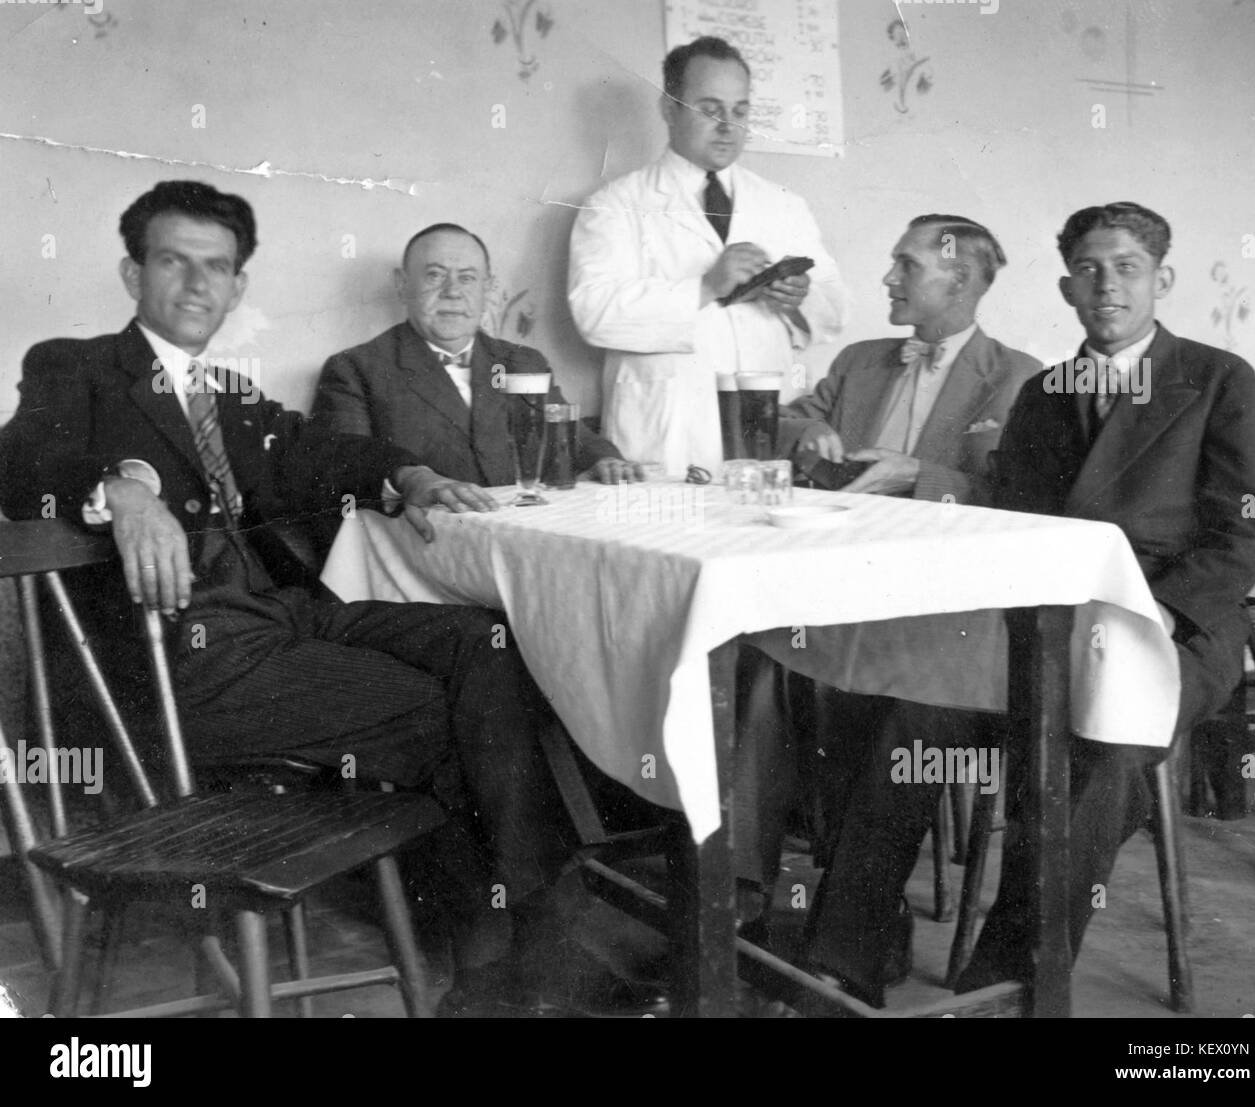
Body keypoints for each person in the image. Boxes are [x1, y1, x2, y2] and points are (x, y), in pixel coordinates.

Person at [0, 180, 662, 1018]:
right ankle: (523, 958)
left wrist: (408, 473)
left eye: (219, 268)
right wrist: (121, 486)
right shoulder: (76, 368)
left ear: (239, 285)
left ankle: (514, 948)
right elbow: (19, 463)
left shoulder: (228, 396)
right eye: (174, 262)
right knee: (443, 709)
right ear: (133, 274)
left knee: (483, 643)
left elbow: (317, 453)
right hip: (169, 669)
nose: (198, 285)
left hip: (274, 616)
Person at [954, 202, 1255, 993]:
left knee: (1099, 746)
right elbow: (1016, 528)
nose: (1108, 286)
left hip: (1174, 627)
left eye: (1127, 267)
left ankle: (1013, 983)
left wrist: (1159, 614)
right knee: (909, 709)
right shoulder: (1044, 393)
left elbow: (1244, 531)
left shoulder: (1217, 378)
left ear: (1161, 279)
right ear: (1067, 288)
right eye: (1089, 270)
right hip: (1054, 622)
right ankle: (844, 952)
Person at [763, 216, 1040, 1006]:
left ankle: (842, 953)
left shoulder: (1015, 376)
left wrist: (918, 474)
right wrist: (812, 429)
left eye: (904, 266)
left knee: (904, 718)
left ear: (960, 280)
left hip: (956, 617)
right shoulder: (858, 361)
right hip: (849, 600)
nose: (886, 279)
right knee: (758, 660)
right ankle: (783, 906)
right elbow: (788, 415)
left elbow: (1016, 499)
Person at [567, 35, 847, 477]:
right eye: (710, 109)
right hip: (664, 435)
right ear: (669, 108)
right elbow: (594, 314)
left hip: (759, 438)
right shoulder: (614, 205)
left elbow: (835, 309)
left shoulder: (783, 204)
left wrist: (799, 298)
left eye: (740, 111)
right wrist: (705, 288)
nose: (727, 126)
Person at [312, 222, 639, 514]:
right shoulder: (355, 369)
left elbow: (572, 437)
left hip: (527, 530)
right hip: (428, 546)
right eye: (435, 275)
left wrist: (604, 460)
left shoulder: (524, 362)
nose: (453, 292)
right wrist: (413, 479)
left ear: (488, 289)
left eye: (467, 278)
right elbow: (345, 469)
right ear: (402, 284)